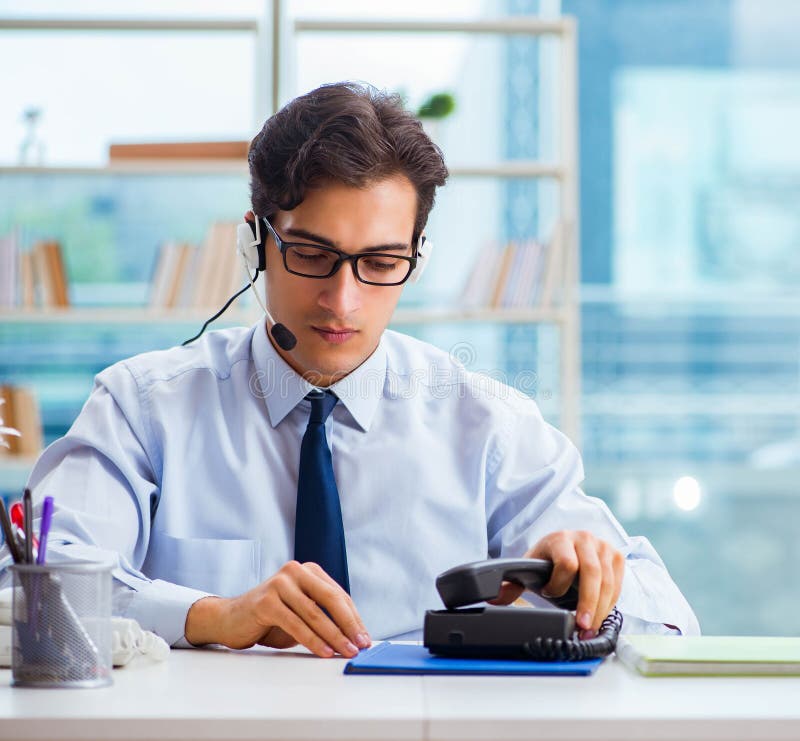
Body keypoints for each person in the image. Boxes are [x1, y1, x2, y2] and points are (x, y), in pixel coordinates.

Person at [2, 82, 699, 658]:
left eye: (380, 262)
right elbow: (32, 591)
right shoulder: (142, 405)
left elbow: (671, 621)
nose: (343, 299)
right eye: (311, 254)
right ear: (257, 239)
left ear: (414, 255)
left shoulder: (489, 426)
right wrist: (212, 614)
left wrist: (588, 584)